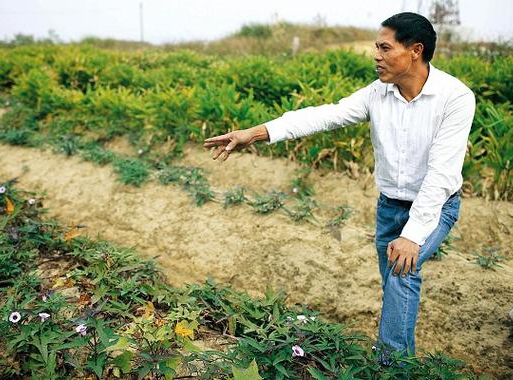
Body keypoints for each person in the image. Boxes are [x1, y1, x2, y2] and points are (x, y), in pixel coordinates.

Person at [202, 12, 475, 361]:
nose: (375, 55)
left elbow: (440, 174)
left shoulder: (455, 97)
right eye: (376, 47)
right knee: (394, 280)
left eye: (384, 47)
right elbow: (325, 115)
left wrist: (412, 235)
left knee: (401, 271)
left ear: (415, 51)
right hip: (391, 205)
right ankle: (399, 358)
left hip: (435, 207)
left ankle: (392, 365)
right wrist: (255, 133)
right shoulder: (378, 94)